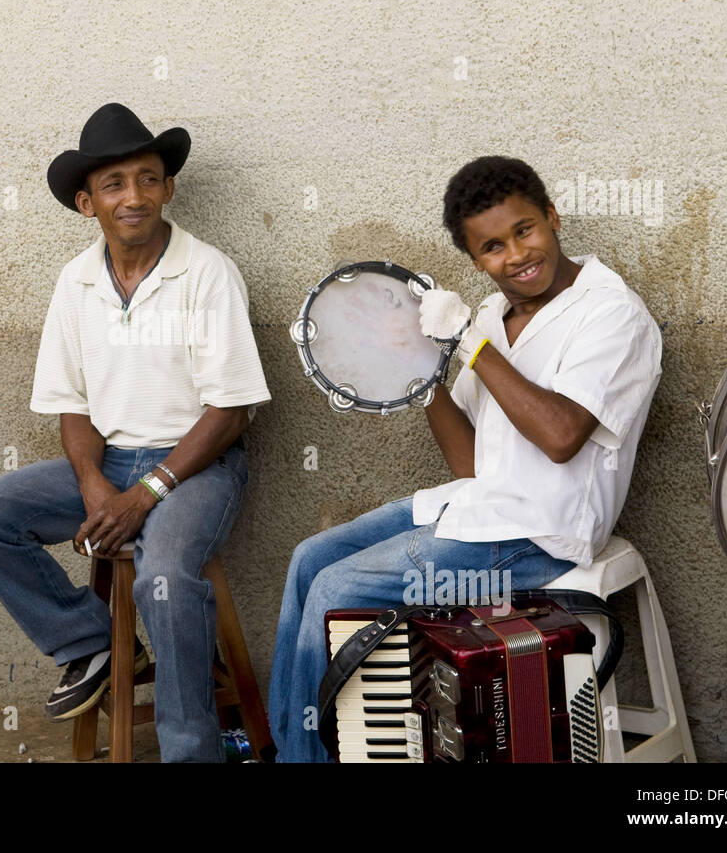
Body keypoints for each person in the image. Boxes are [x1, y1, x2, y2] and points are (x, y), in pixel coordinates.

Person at [269, 155, 663, 762]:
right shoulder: (490, 317)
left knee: (337, 589)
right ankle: (288, 747)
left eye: (525, 230)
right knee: (309, 558)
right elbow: (471, 464)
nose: (517, 255)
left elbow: (562, 435)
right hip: (478, 506)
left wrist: (474, 346)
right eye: (493, 248)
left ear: (553, 218)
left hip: (541, 532)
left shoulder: (611, 313)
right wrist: (425, 369)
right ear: (476, 260)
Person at [0, 103, 270, 762]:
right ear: (85, 201)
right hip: (112, 464)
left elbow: (230, 411)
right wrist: (95, 483)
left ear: (169, 188)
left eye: (148, 179)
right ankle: (92, 641)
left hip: (198, 466)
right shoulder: (77, 282)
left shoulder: (207, 272)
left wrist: (147, 490)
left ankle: (192, 751)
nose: (134, 197)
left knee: (164, 575)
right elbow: (73, 407)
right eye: (115, 184)